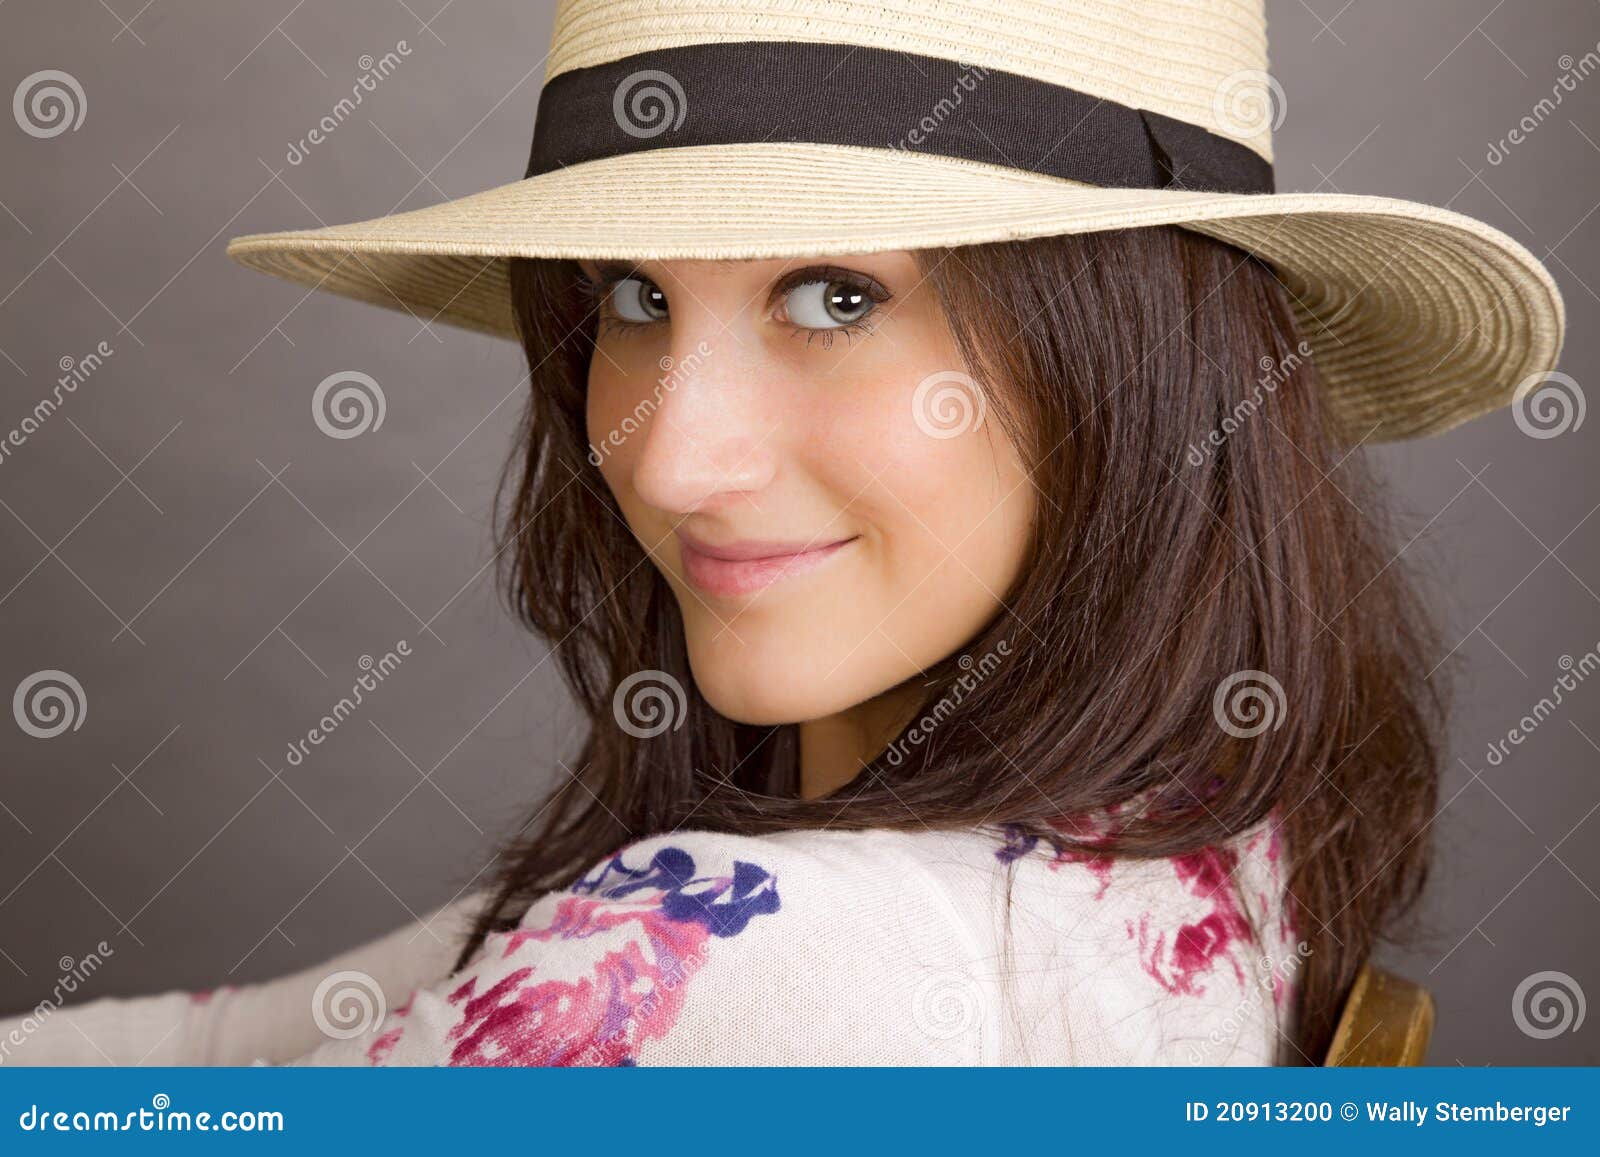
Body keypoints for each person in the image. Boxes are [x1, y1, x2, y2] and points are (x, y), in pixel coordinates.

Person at [0, 0, 1564, 1066]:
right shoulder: (1196, 806)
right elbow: (247, 1050)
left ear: (1132, 357)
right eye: (634, 297)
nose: (673, 458)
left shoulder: (755, 975)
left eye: (837, 297)